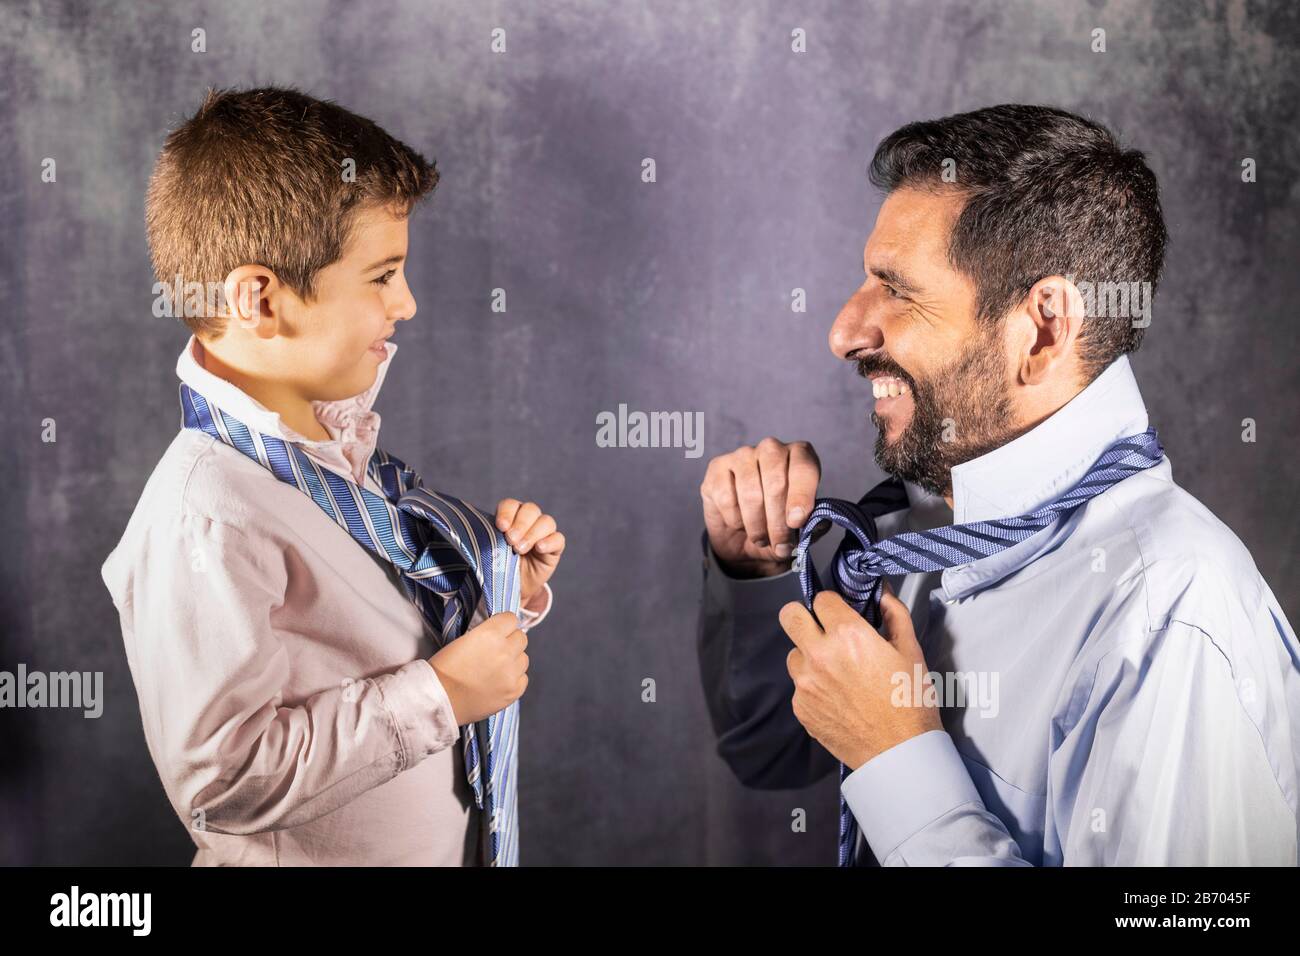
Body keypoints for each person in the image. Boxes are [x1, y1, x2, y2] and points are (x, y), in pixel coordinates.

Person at [697, 104, 1299, 865]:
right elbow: (773, 754)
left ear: (1044, 327)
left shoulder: (1169, 613)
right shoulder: (913, 535)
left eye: (898, 289)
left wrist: (899, 764)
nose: (845, 331)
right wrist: (758, 576)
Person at [102, 87, 565, 866]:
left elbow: (373, 635)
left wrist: (498, 582)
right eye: (382, 276)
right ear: (260, 299)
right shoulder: (205, 515)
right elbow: (223, 779)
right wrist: (441, 697)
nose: (407, 304)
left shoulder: (328, 453)